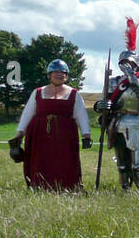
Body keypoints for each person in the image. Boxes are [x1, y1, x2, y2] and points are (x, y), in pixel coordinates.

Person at [11, 59, 91, 191]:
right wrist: (20, 133)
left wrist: (86, 135)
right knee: (40, 161)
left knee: (65, 161)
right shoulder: (38, 92)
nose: (60, 75)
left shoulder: (74, 94)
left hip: (65, 135)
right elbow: (27, 114)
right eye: (56, 72)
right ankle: (39, 187)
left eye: (63, 73)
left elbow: (81, 115)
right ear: (50, 74)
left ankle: (67, 187)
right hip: (40, 135)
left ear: (66, 76)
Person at [94, 48, 139, 189]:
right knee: (122, 165)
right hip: (117, 124)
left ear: (136, 63)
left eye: (129, 62)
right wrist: (100, 105)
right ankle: (125, 189)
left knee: (137, 165)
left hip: (138, 123)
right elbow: (103, 102)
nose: (126, 65)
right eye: (123, 62)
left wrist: (132, 78)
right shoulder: (113, 81)